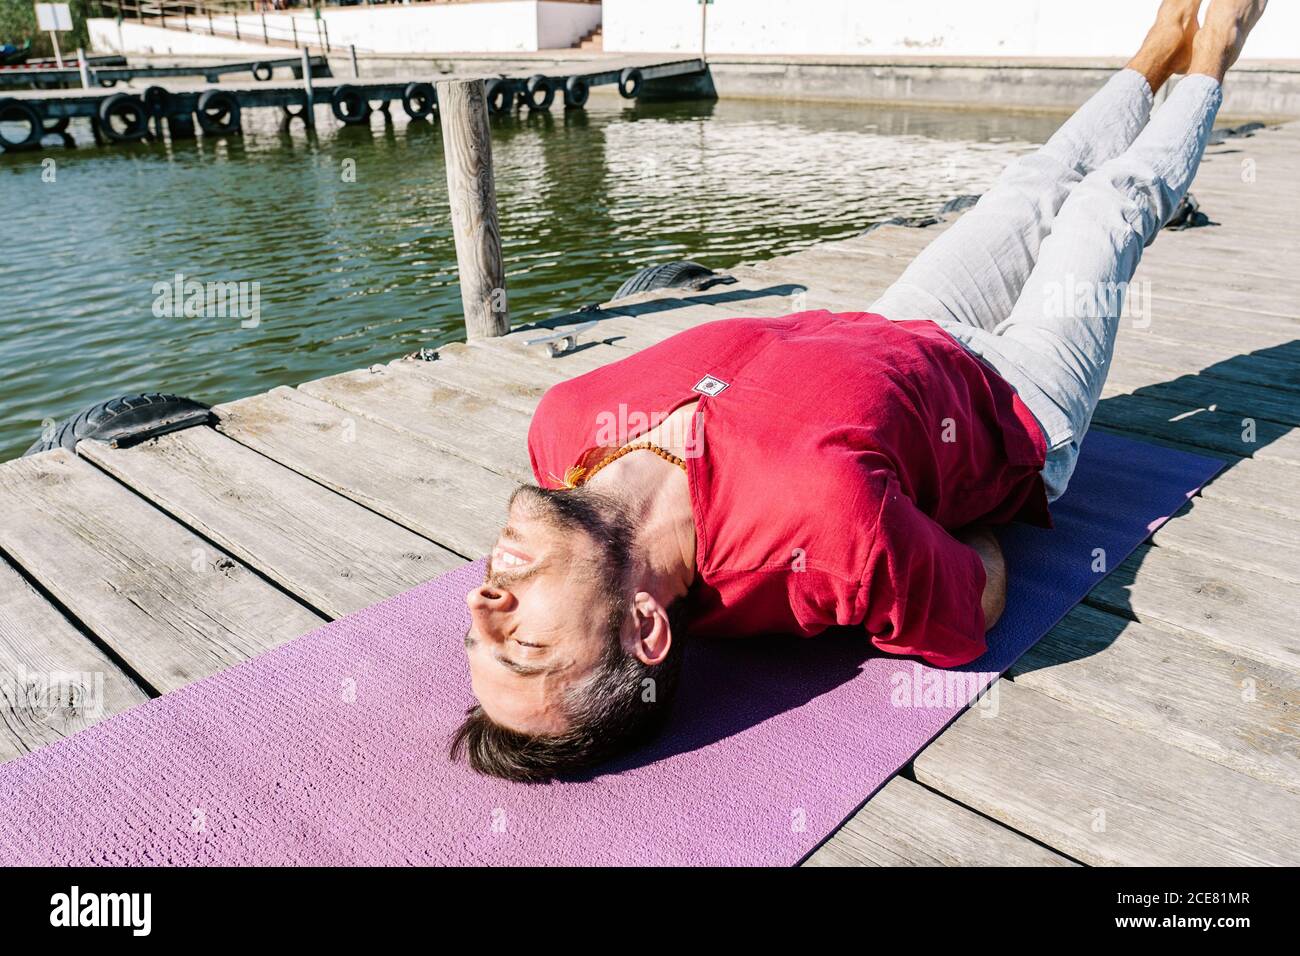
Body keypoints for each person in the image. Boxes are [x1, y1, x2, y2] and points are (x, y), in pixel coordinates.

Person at [454, 0, 1269, 782]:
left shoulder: (561, 430)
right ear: (644, 625)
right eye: (523, 644)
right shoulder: (817, 530)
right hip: (1015, 396)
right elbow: (967, 609)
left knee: (1032, 184)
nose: (484, 598)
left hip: (893, 331)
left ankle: (1153, 54)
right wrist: (958, 507)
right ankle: (1210, 58)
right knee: (1105, 206)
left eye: (475, 634)